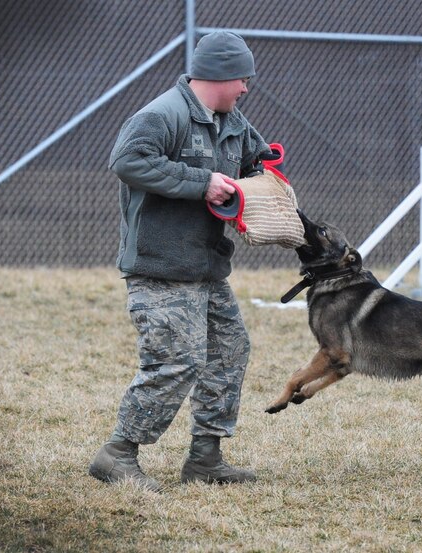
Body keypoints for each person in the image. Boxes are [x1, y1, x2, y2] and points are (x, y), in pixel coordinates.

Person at [89, 31, 273, 491]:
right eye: (242, 80)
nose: (246, 89)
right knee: (176, 360)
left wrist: (265, 186)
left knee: (229, 351)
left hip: (207, 266)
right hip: (160, 266)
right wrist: (202, 183)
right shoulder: (161, 115)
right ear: (221, 76)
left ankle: (206, 458)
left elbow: (256, 161)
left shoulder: (232, 120)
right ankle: (117, 453)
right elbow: (128, 161)